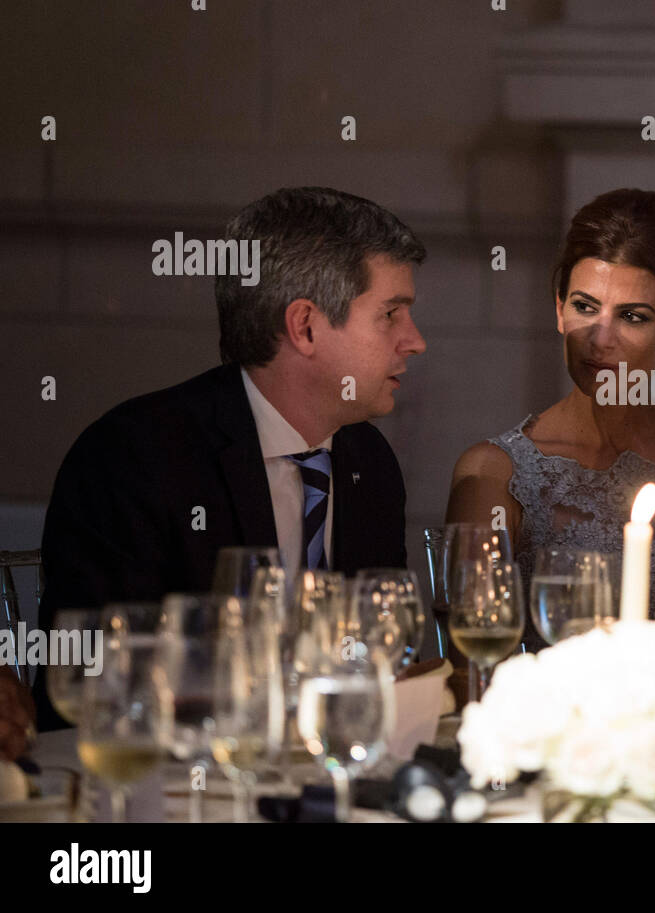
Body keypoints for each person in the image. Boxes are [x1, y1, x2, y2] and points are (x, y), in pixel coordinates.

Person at [36, 186, 427, 726]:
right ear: (306, 326)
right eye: (391, 314)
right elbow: (98, 682)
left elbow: (375, 657)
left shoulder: (368, 460)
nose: (414, 340)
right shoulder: (135, 457)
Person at [446, 188, 655, 640]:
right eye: (584, 307)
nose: (600, 340)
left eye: (633, 317)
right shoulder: (496, 471)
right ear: (559, 309)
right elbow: (472, 673)